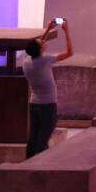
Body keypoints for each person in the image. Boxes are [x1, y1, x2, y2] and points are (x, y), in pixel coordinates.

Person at [22, 19, 74, 158]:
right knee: (43, 138)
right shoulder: (45, 61)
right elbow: (70, 52)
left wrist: (48, 29)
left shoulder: (27, 61)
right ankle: (41, 163)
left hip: (34, 103)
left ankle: (28, 162)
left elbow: (37, 45)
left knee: (33, 136)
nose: (43, 42)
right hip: (48, 105)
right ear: (40, 50)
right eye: (42, 43)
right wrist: (66, 31)